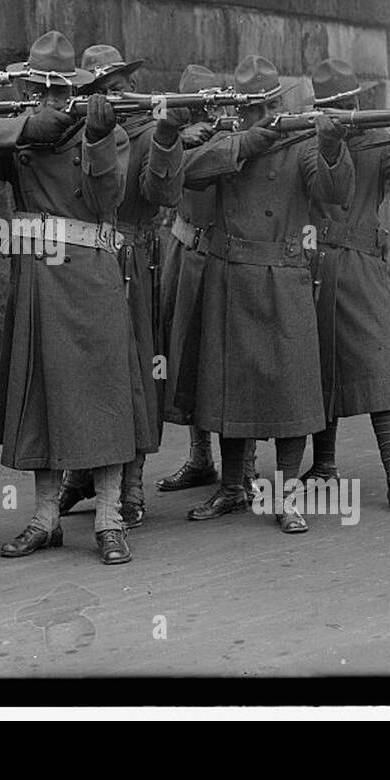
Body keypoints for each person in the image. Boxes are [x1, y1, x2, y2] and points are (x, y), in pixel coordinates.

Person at [0, 30, 147, 565]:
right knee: (41, 393)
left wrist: (93, 139)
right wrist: (29, 126)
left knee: (104, 393)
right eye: (39, 91)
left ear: (74, 87)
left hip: (91, 273)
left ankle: (109, 516)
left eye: (57, 91)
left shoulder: (102, 130)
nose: (50, 101)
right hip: (37, 279)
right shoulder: (24, 133)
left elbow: (105, 198)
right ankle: (45, 518)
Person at [181, 54, 354, 533]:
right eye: (248, 108)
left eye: (262, 107)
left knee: (290, 391)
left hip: (284, 273)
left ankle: (285, 494)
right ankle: (232, 487)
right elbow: (187, 171)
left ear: (276, 101)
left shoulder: (300, 144)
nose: (256, 116)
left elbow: (334, 193)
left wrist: (333, 146)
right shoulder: (226, 141)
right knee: (228, 389)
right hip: (231, 273)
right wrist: (245, 142)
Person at [301, 58, 390, 517]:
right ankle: (323, 466)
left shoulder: (381, 140)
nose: (347, 110)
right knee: (320, 368)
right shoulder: (307, 140)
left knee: (378, 372)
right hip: (314, 263)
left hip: (362, 266)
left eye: (349, 103)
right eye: (335, 106)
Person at [56, 44, 184, 528]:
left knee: (139, 368)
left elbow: (163, 195)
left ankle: (131, 485)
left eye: (124, 86)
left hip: (133, 258)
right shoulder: (74, 132)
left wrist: (169, 140)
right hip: (86, 261)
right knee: (89, 369)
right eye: (107, 90)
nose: (120, 95)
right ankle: (80, 475)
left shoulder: (151, 132)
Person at [155, 65, 259, 499]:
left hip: (221, 255)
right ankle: (200, 457)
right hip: (183, 250)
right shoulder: (172, 138)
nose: (212, 112)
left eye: (215, 104)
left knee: (228, 359)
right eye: (200, 106)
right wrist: (181, 138)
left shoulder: (237, 135)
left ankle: (245, 468)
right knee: (186, 358)